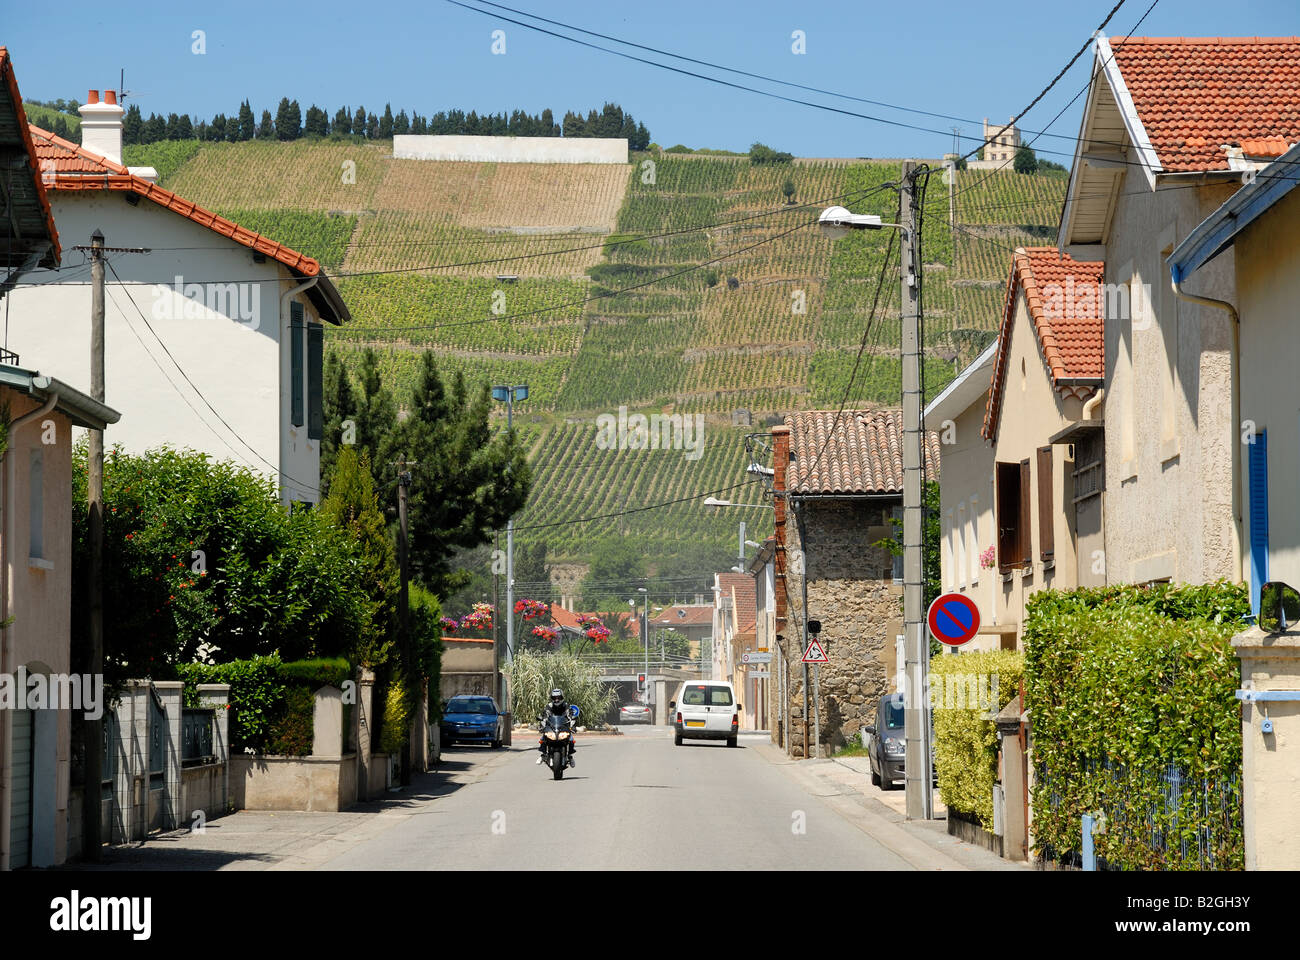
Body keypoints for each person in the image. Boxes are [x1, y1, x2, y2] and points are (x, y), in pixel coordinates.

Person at [536, 688, 576, 767]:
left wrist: (573, 724)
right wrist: (542, 725)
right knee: (543, 738)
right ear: (552, 698)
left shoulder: (566, 705)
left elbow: (570, 715)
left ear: (561, 697)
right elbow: (545, 716)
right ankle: (543, 755)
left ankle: (570, 757)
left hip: (563, 727)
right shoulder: (549, 706)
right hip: (552, 727)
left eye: (558, 698)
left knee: (571, 739)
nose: (556, 700)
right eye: (554, 698)